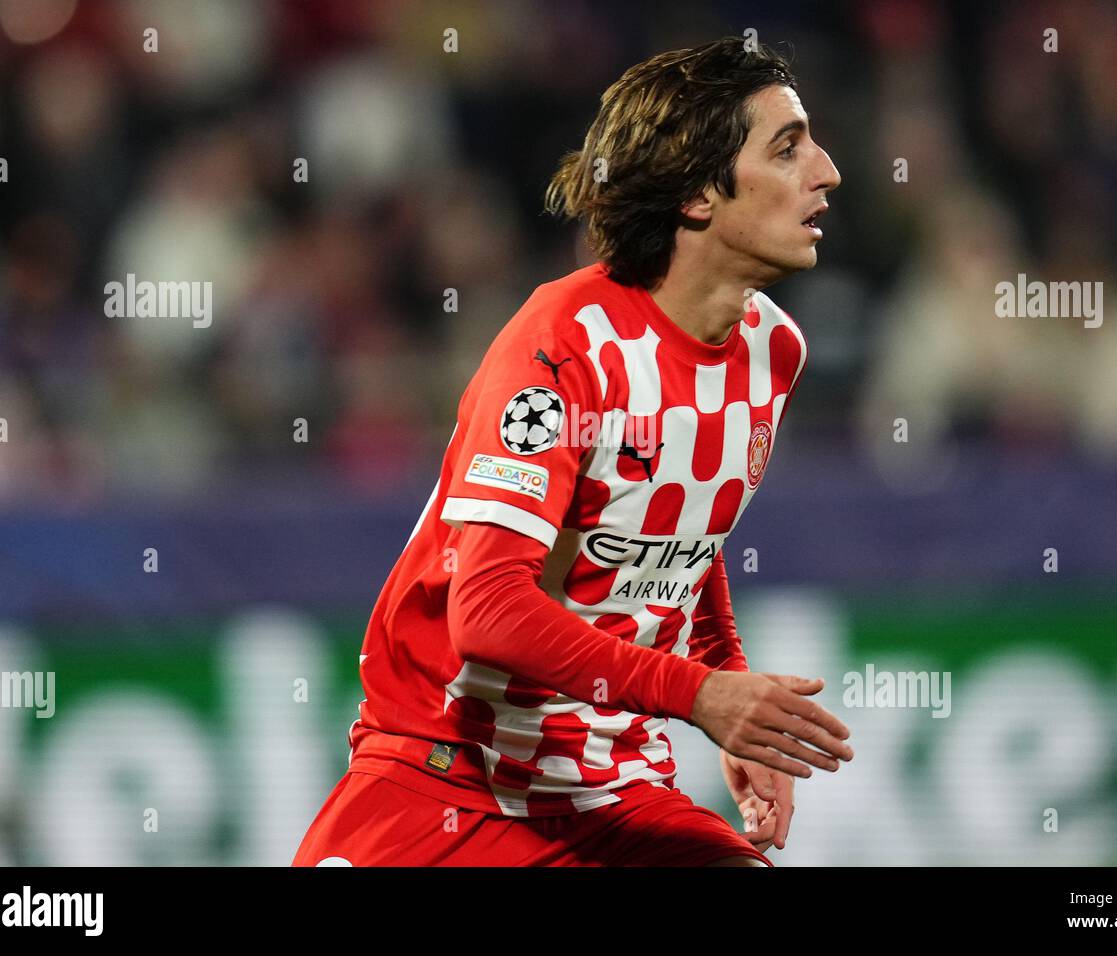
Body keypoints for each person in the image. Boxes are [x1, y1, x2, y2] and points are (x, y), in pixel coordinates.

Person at [293, 35, 851, 868]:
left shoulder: (774, 350)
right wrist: (702, 694)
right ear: (699, 194)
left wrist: (730, 687)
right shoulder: (564, 350)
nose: (827, 170)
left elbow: (682, 535)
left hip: (612, 791)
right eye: (788, 146)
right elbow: (485, 611)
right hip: (446, 781)